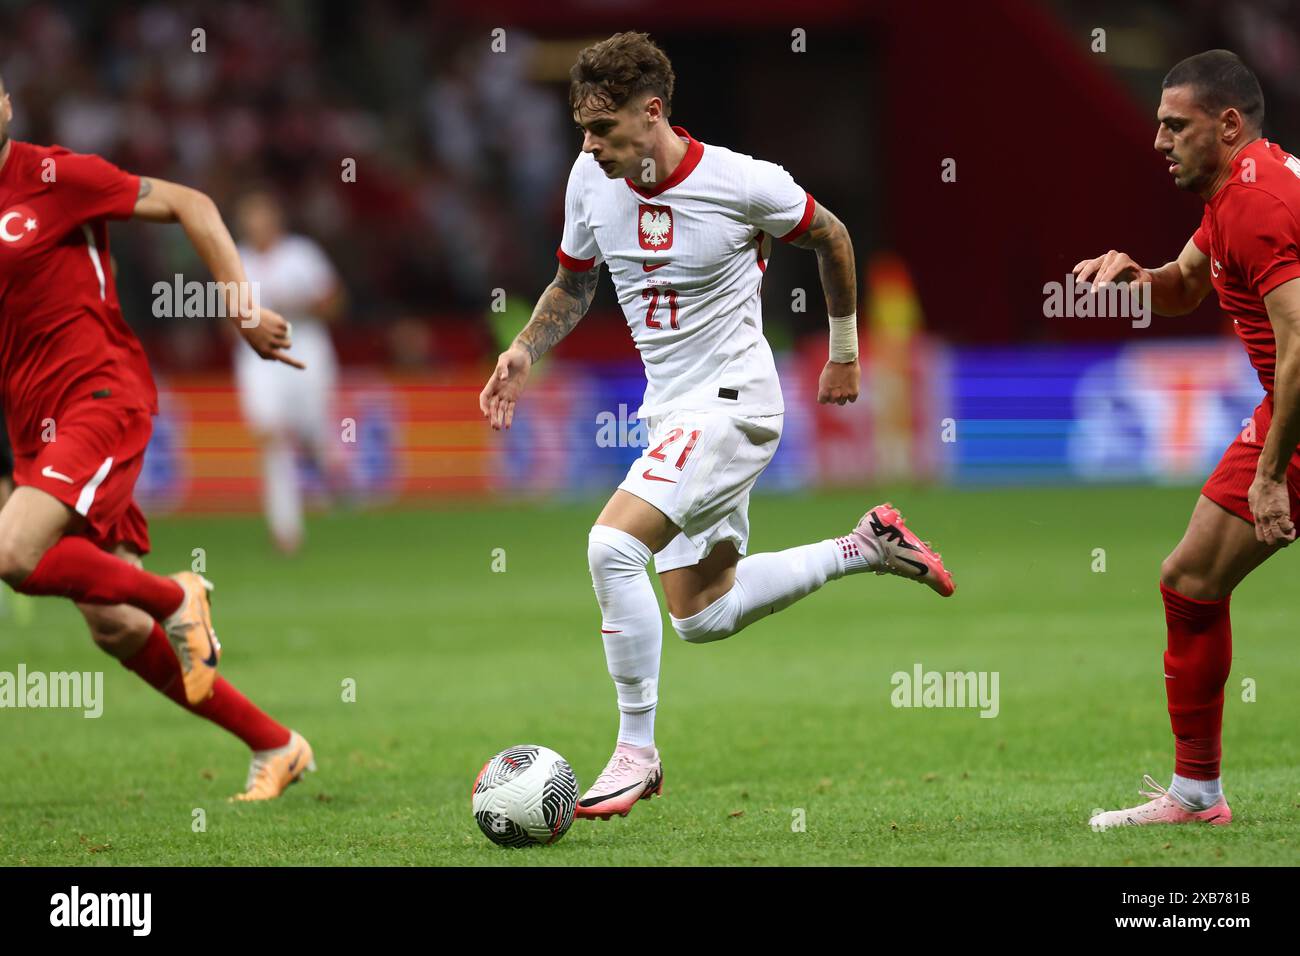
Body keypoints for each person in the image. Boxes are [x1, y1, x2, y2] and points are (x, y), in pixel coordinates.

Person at [479, 32, 955, 820]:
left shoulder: (742, 182)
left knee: (610, 545)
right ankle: (864, 545)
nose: (589, 145)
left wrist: (842, 352)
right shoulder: (588, 181)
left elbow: (832, 235)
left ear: (653, 112)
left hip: (736, 403)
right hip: (670, 411)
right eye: (582, 130)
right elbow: (572, 283)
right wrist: (525, 349)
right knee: (704, 614)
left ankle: (636, 753)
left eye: (603, 128)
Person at [0, 73, 314, 800]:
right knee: (112, 621)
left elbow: (189, 201)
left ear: (9, 103)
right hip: (31, 430)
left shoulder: (54, 176)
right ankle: (276, 744)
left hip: (98, 396)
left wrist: (239, 306)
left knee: (14, 551)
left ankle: (176, 596)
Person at [1077, 51, 1299, 828]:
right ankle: (1196, 794)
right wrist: (1137, 276)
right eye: (1159, 125)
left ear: (1227, 124)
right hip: (1288, 411)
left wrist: (1272, 475)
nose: (1159, 140)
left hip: (1295, 412)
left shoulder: (1259, 203)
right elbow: (1187, 284)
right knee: (1191, 582)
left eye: (1177, 126)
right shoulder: (1236, 193)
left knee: (1192, 582)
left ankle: (1197, 794)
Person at [233, 189, 346, 555]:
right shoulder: (237, 259)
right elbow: (227, 319)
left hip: (306, 345)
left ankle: (323, 458)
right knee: (272, 436)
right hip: (260, 355)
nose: (258, 225)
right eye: (251, 218)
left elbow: (335, 302)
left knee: (312, 430)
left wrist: (297, 305)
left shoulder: (302, 254)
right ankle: (286, 529)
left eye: (263, 216)